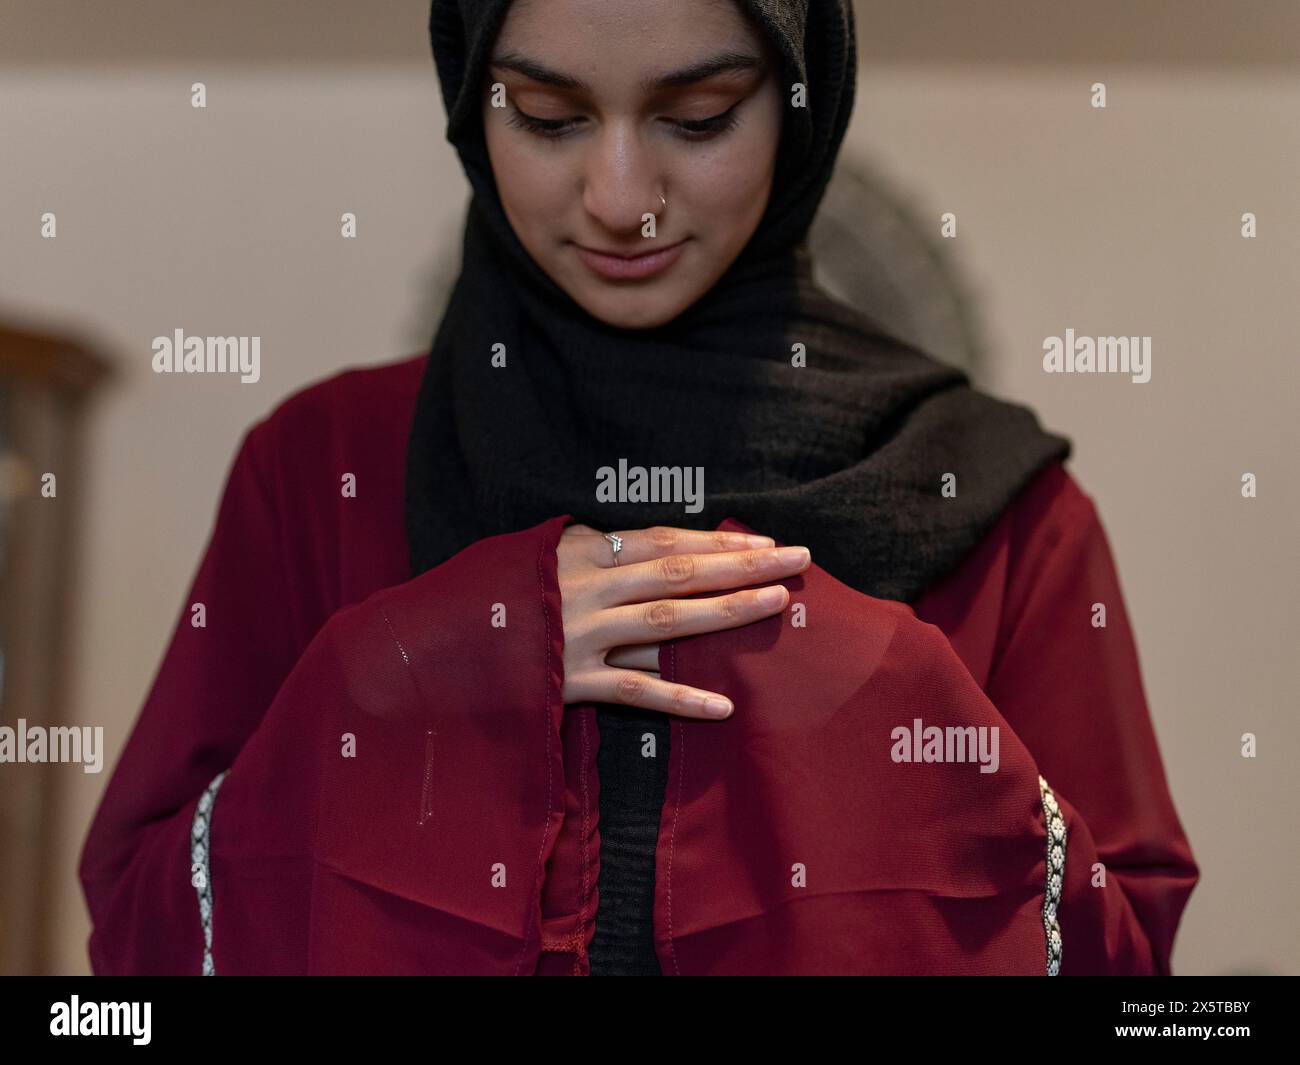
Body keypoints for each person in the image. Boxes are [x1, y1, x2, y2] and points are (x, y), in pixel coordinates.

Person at [79, 0, 1199, 976]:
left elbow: (1131, 972)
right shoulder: (324, 467)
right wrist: (412, 670)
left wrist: (880, 696)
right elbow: (137, 946)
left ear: (803, 107)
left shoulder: (1000, 507)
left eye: (698, 116)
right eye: (547, 115)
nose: (621, 199)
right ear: (472, 103)